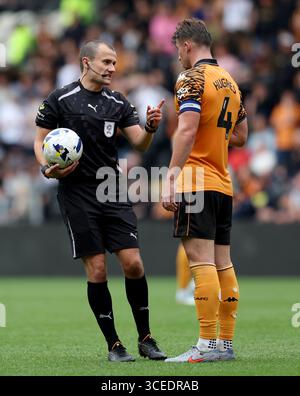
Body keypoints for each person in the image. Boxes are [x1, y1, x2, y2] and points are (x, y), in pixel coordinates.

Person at [34, 40, 167, 363]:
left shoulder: (117, 101)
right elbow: (40, 140)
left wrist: (150, 128)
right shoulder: (60, 99)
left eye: (114, 63)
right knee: (97, 270)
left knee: (134, 263)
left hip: (112, 190)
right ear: (86, 62)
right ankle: (114, 344)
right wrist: (46, 168)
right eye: (106, 62)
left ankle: (146, 338)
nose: (112, 68)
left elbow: (140, 143)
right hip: (76, 193)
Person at [162, 19, 248, 363]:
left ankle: (206, 343)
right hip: (223, 182)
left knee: (200, 261)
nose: (179, 58)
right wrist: (216, 133)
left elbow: (186, 129)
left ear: (186, 45)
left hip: (195, 181)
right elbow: (241, 135)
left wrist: (170, 176)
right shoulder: (230, 82)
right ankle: (224, 343)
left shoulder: (191, 79)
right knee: (223, 263)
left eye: (178, 50)